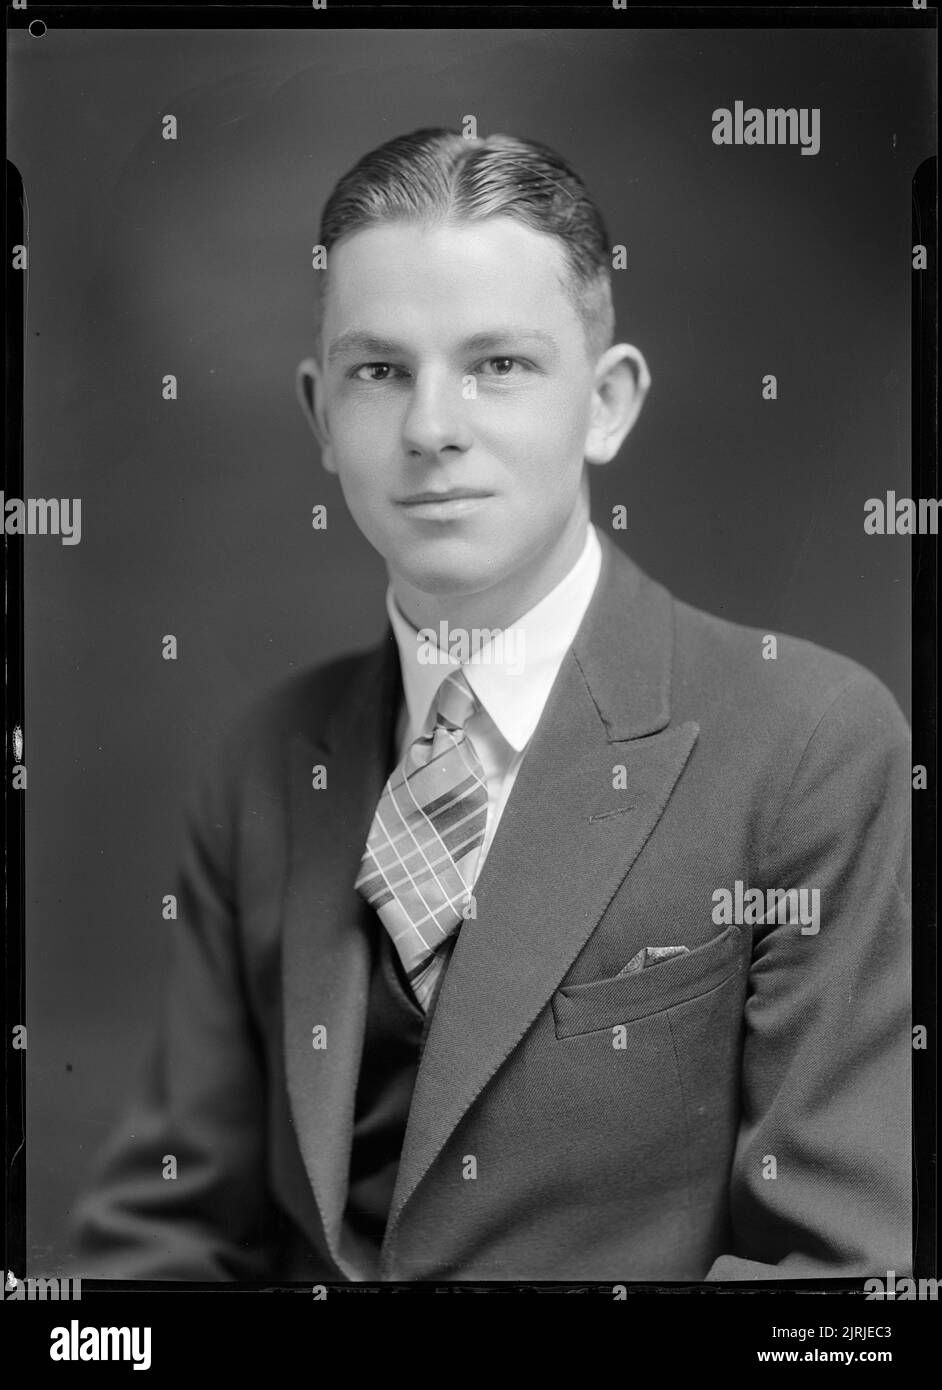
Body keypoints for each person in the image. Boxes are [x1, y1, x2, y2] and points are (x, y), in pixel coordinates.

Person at [71, 127, 911, 1282]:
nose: (431, 427)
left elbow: (834, 1287)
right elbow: (167, 1233)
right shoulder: (266, 763)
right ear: (322, 415)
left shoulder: (812, 741)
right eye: (380, 371)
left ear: (607, 404)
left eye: (498, 365)